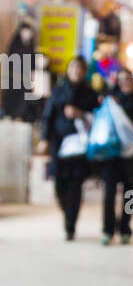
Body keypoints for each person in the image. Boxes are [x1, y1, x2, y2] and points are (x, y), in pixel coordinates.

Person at [38, 54, 100, 241]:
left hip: (80, 149)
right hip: (60, 146)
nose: (77, 71)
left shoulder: (90, 94)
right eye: (74, 68)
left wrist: (80, 113)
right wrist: (44, 139)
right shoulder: (58, 92)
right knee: (60, 187)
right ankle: (68, 212)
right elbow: (48, 116)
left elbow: (97, 118)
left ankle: (70, 225)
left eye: (80, 69)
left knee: (75, 186)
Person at [100, 68, 133, 245]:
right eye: (121, 80)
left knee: (130, 194)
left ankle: (126, 227)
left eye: (128, 80)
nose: (125, 84)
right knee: (109, 192)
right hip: (112, 154)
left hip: (132, 155)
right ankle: (107, 229)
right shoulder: (111, 102)